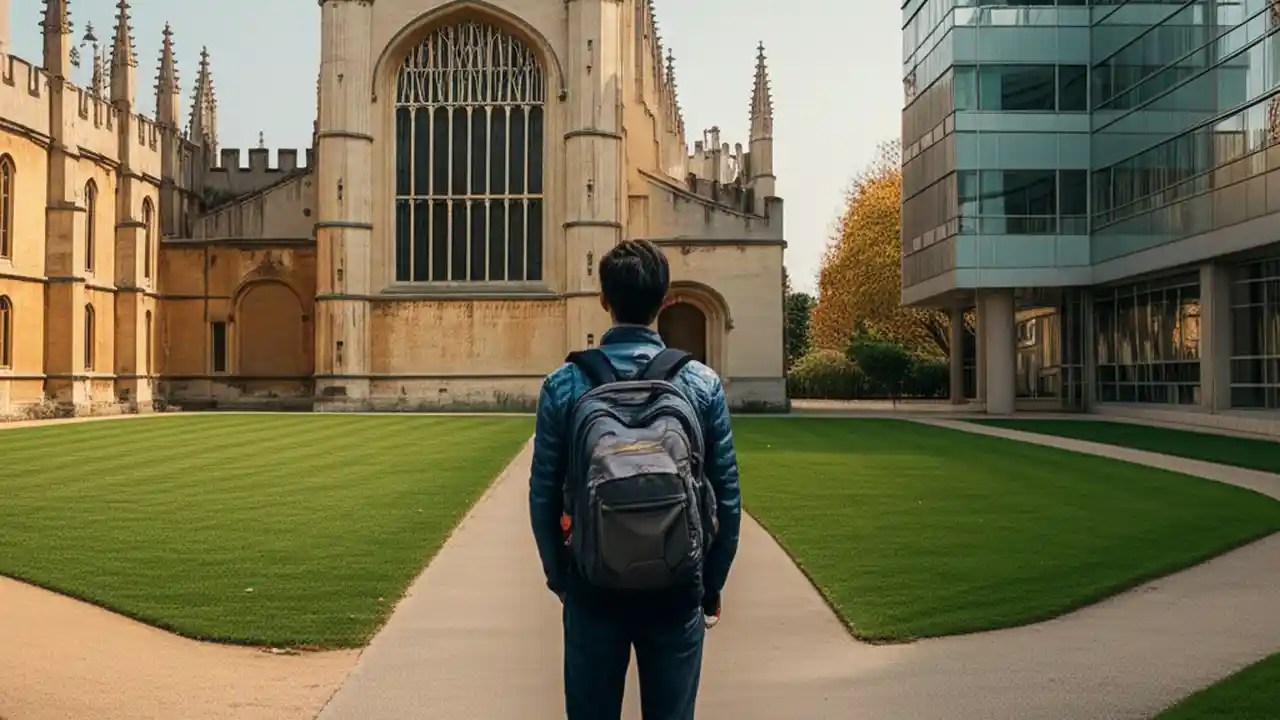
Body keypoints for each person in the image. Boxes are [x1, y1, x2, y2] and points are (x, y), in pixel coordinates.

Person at [529, 239, 742, 720]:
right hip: (676, 587)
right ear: (664, 302)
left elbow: (542, 495)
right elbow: (727, 497)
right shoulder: (702, 384)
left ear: (603, 300)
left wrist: (562, 579)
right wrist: (709, 584)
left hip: (593, 588)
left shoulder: (564, 384)